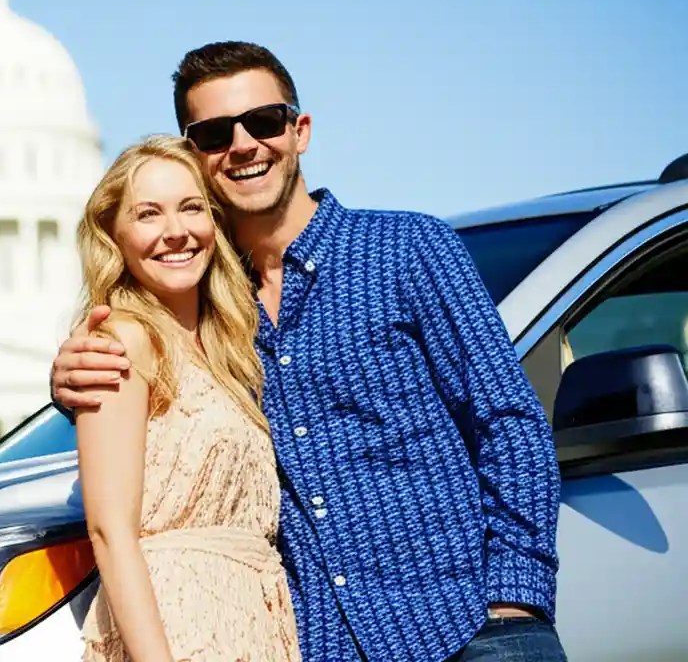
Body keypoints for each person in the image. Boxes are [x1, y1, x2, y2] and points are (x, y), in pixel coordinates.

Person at [53, 42, 566, 662]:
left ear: (299, 131)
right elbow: (157, 412)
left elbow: (510, 423)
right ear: (196, 156)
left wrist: (513, 602)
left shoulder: (408, 249)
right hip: (313, 644)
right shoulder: (206, 306)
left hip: (464, 630)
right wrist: (66, 384)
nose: (243, 145)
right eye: (216, 133)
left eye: (263, 122)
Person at [72, 135, 301, 662]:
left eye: (191, 208)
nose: (176, 232)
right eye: (148, 214)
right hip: (174, 627)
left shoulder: (231, 350)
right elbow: (109, 531)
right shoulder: (123, 340)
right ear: (115, 235)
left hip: (253, 623)